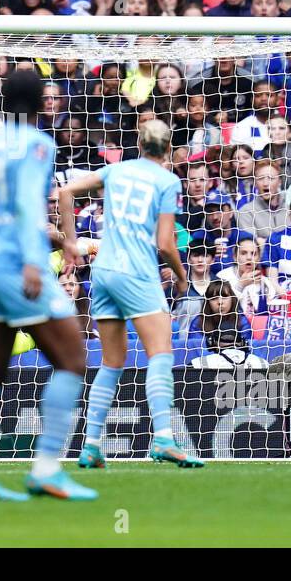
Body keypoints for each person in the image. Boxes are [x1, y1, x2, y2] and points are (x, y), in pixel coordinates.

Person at [0, 68, 94, 502]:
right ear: (40, 104)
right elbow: (29, 204)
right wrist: (37, 261)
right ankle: (47, 468)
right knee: (72, 356)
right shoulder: (38, 144)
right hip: (18, 263)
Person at [59, 119, 199, 470]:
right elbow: (166, 244)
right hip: (136, 272)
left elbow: (64, 192)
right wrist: (182, 277)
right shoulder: (168, 180)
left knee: (111, 361)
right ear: (168, 150)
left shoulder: (115, 170)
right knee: (161, 354)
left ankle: (90, 445)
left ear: (138, 144)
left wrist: (70, 245)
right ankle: (164, 438)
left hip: (104, 272)